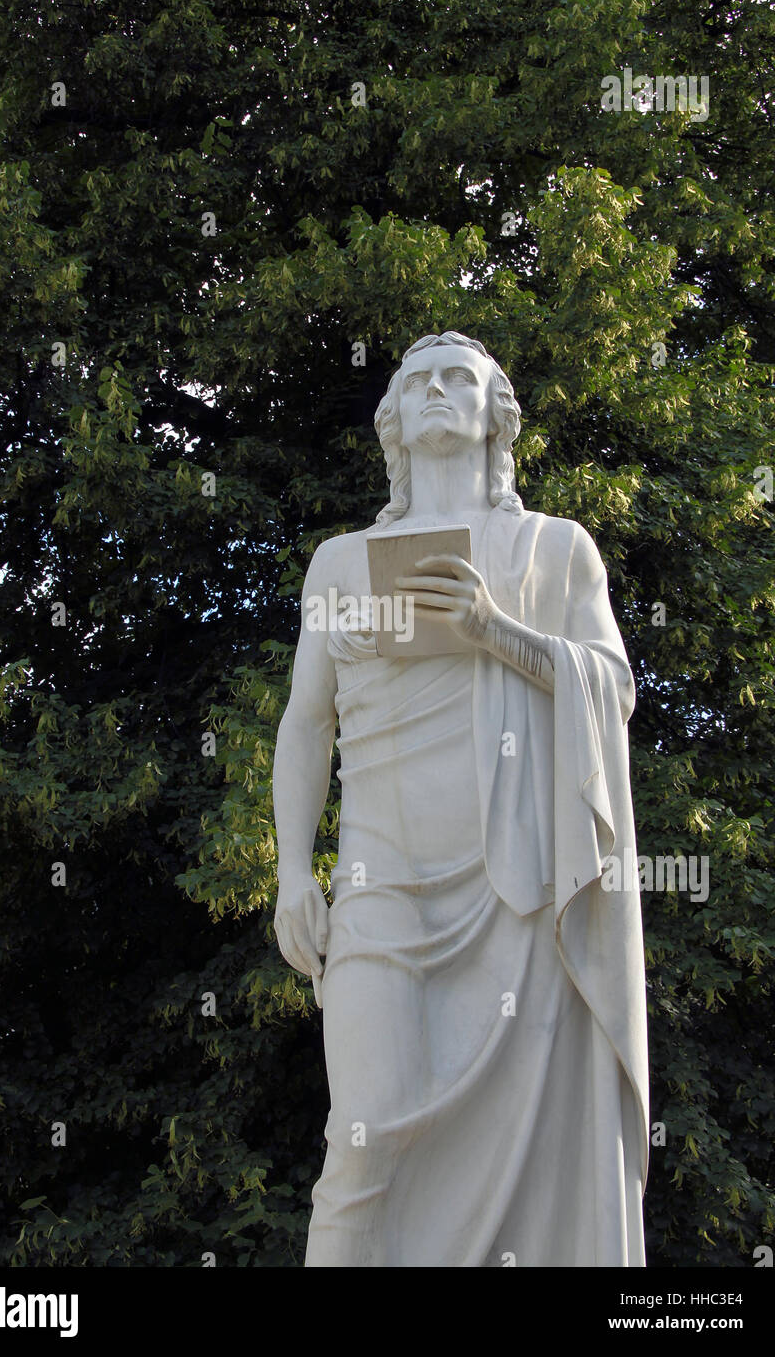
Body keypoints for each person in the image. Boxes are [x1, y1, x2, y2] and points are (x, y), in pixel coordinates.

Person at [272, 332, 649, 1267]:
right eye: (419, 382)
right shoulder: (340, 563)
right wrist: (289, 870)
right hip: (379, 888)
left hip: (517, 892)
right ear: (393, 422)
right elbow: (305, 722)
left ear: (494, 417)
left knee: (531, 1164)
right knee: (361, 1143)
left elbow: (614, 687)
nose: (439, 391)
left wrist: (491, 629)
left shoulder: (555, 550)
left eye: (461, 380)